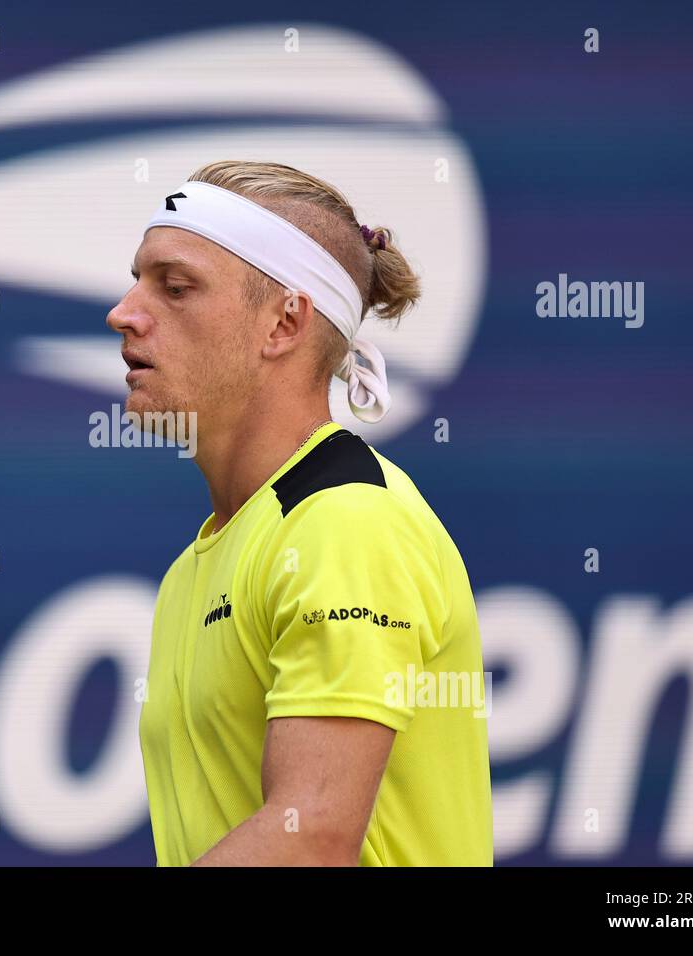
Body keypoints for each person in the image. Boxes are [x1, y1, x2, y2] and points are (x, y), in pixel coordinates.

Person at [109, 160, 492, 866]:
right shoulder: (197, 567)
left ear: (285, 322)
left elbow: (310, 840)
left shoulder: (343, 523)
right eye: (136, 280)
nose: (124, 312)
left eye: (175, 286)